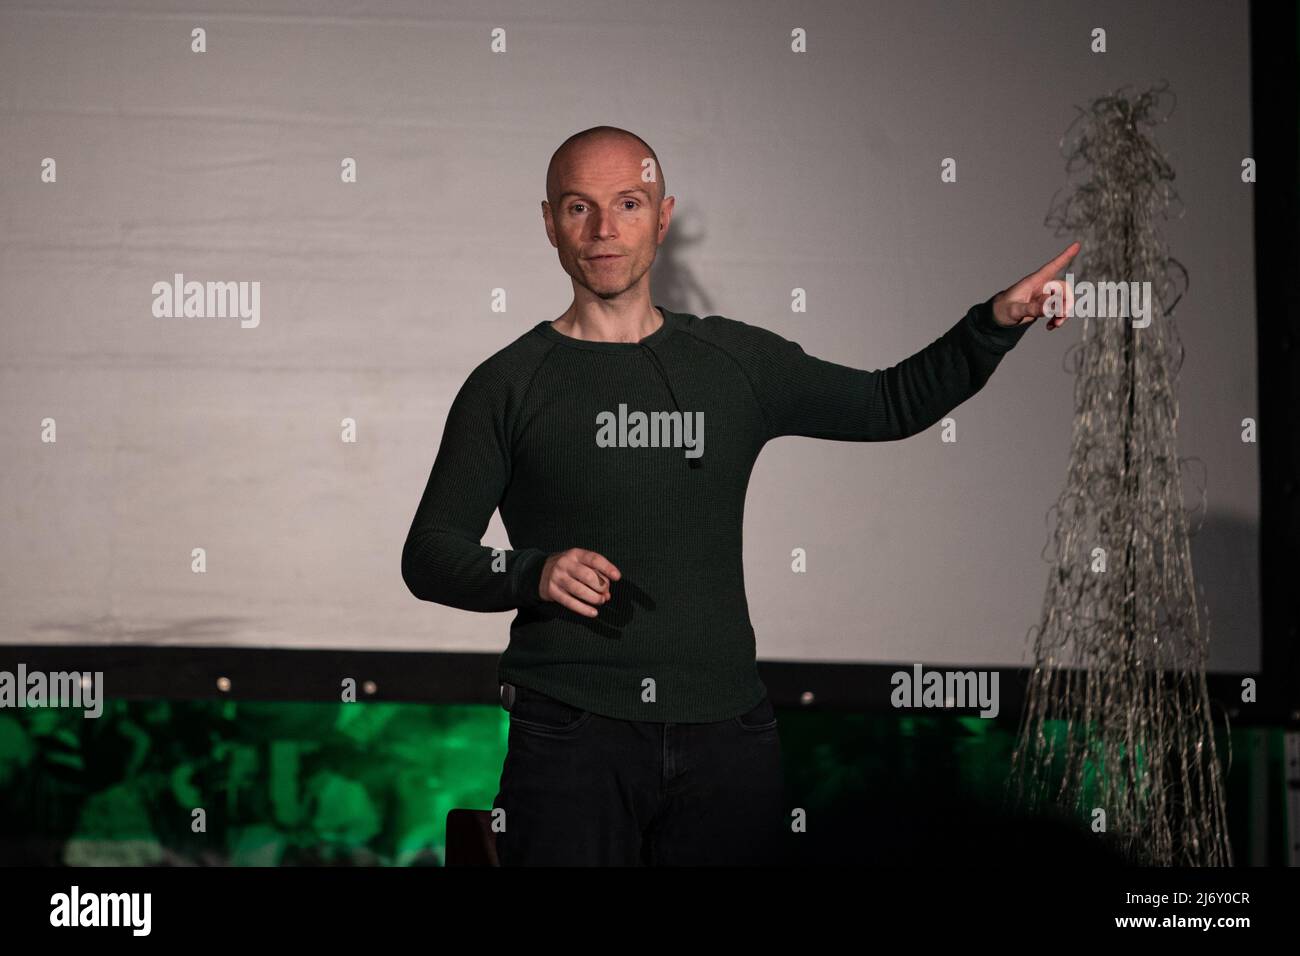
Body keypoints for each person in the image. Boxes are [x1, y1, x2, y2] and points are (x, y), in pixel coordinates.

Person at [401, 125, 1079, 865]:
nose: (603, 229)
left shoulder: (731, 363)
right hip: (572, 735)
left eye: (628, 203)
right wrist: (532, 571)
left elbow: (889, 403)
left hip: (728, 738)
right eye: (577, 207)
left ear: (662, 218)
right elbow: (429, 556)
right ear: (549, 224)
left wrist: (995, 324)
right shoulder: (508, 384)